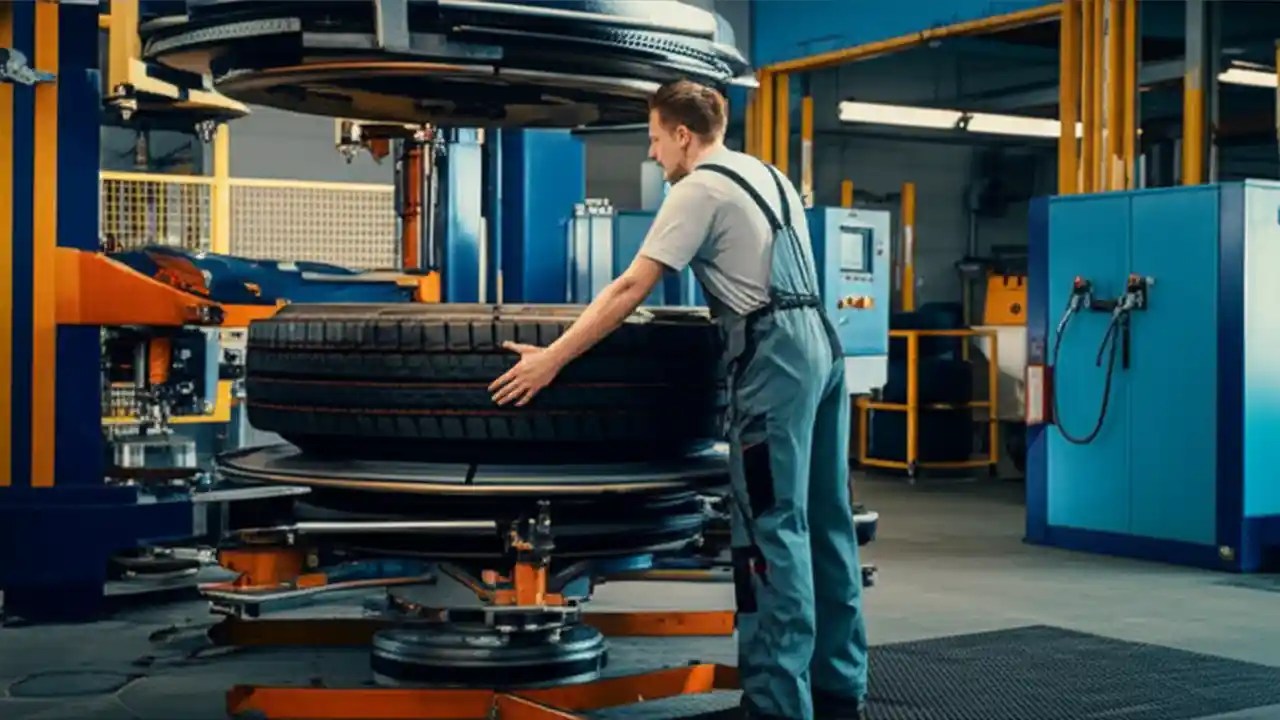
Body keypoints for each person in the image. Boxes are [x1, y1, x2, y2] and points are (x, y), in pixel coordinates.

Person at [488, 79, 868, 720]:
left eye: (655, 138)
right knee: (827, 524)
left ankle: (778, 705)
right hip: (824, 348)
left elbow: (632, 284)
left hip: (775, 358)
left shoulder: (697, 190)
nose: (652, 152)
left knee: (773, 534)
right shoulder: (765, 173)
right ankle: (838, 692)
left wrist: (551, 359)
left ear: (683, 135)